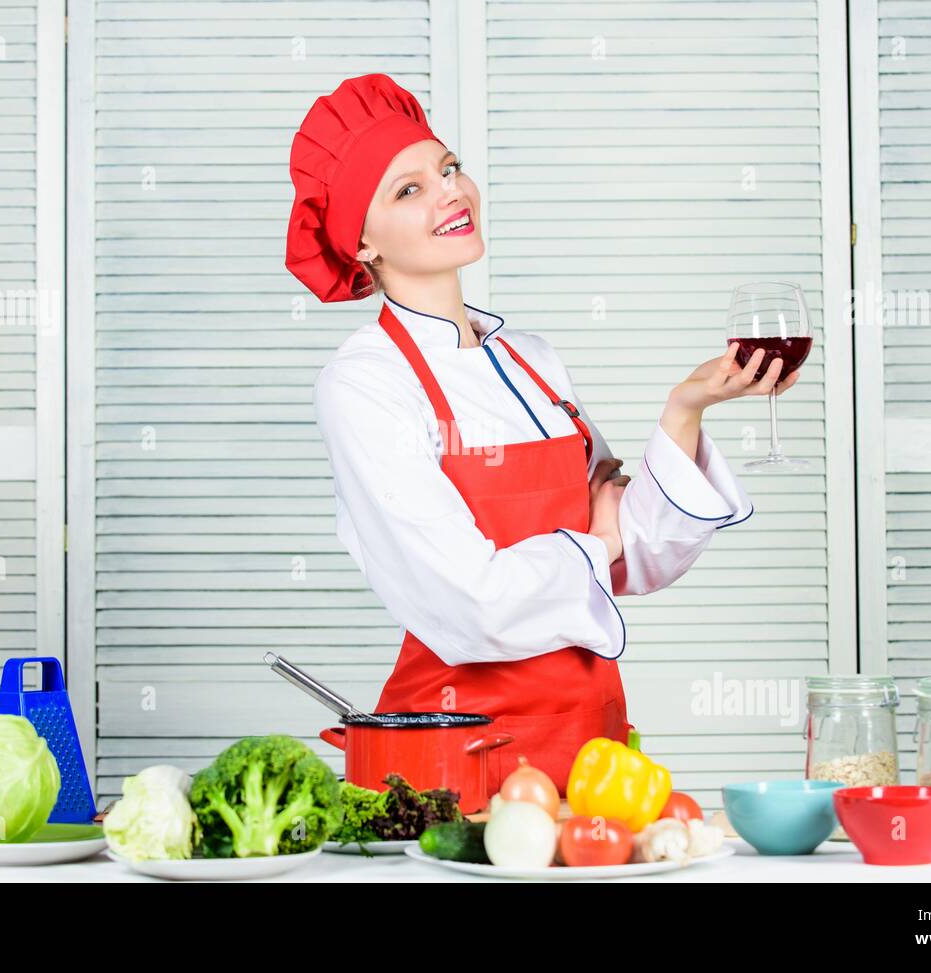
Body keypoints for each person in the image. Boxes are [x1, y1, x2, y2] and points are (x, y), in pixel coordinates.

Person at [286, 74, 799, 795]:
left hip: (594, 755)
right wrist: (602, 535)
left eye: (449, 168)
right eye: (408, 190)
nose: (450, 193)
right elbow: (474, 604)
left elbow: (637, 557)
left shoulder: (533, 359)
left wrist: (684, 410)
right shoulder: (366, 383)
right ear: (360, 241)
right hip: (449, 771)